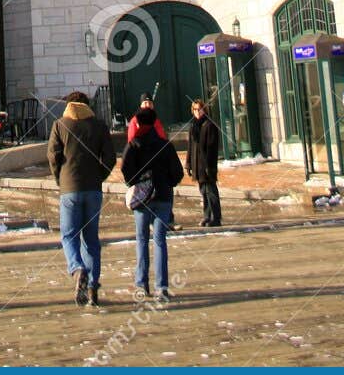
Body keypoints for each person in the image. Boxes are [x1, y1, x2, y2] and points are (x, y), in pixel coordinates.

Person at [47, 90, 117, 307]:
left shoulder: (60, 125)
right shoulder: (99, 126)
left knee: (69, 236)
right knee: (91, 240)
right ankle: (93, 287)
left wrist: (60, 178)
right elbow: (110, 158)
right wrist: (99, 175)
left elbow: (53, 156)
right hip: (93, 189)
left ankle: (77, 269)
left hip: (70, 188)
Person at [122, 105, 185, 305]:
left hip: (143, 199)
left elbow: (125, 169)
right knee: (160, 241)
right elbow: (177, 172)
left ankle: (141, 283)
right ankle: (162, 286)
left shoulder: (134, 145)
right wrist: (167, 183)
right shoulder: (166, 145)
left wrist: (135, 183)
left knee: (141, 239)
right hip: (163, 196)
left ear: (139, 123)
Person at [186, 98, 221, 227]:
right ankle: (207, 215)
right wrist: (188, 164)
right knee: (203, 192)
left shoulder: (209, 125)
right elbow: (191, 147)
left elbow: (212, 148)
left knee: (211, 191)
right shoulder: (193, 126)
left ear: (204, 110)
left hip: (206, 165)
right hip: (197, 165)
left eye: (199, 109)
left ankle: (215, 217)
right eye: (195, 109)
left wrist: (209, 166)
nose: (197, 112)